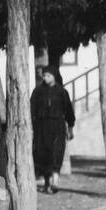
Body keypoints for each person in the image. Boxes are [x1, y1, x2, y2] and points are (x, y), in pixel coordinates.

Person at [30, 65, 74, 193]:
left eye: (48, 75)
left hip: (58, 126)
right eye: (44, 75)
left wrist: (70, 128)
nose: (45, 78)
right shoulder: (37, 92)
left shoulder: (62, 92)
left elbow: (69, 111)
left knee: (56, 152)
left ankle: (55, 180)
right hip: (41, 127)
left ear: (54, 76)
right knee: (43, 154)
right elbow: (32, 109)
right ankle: (47, 182)